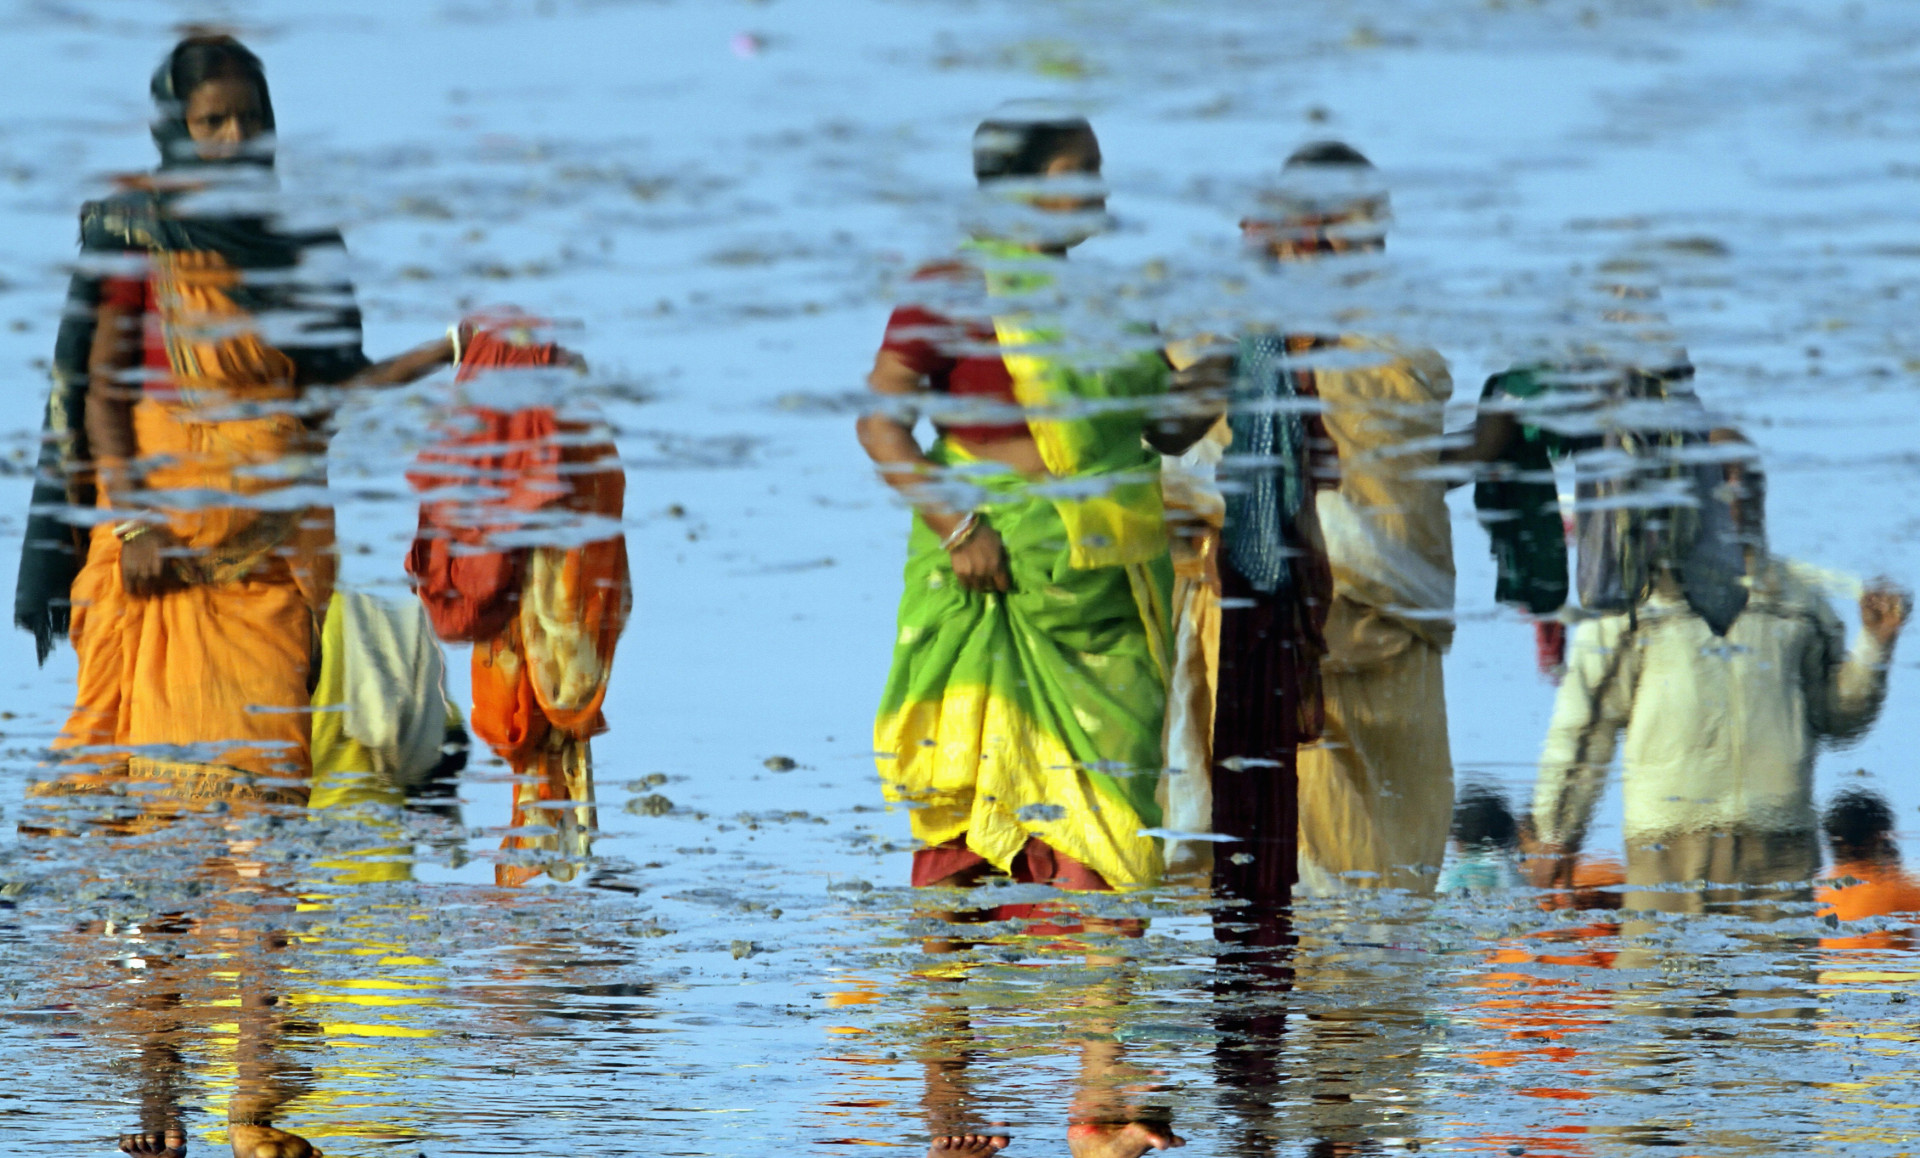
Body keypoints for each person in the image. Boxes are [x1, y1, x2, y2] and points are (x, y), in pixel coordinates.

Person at [21, 35, 455, 809]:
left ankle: (247, 933)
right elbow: (104, 398)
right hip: (156, 547)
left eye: (250, 120)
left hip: (270, 550)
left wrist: (453, 347)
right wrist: (135, 529)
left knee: (264, 790)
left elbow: (336, 389)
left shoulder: (302, 251)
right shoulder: (135, 236)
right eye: (214, 121)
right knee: (133, 794)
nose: (235, 139)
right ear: (175, 129)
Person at [860, 108, 1216, 900]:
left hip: (1108, 592)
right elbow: (881, 423)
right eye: (1076, 173)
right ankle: (945, 1018)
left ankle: (1093, 1026)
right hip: (993, 585)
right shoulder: (952, 287)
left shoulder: (1117, 300)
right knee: (965, 838)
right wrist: (956, 526)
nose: (1099, 189)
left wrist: (1216, 375)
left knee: (1113, 828)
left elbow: (1160, 430)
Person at [1233, 141, 1457, 896]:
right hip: (1271, 654)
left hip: (1395, 659)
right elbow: (1190, 471)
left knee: (1389, 899)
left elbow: (1404, 493)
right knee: (1295, 901)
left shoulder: (1396, 356)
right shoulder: (1230, 341)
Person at [1528, 472, 1908, 910]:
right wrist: (1557, 833)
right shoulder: (1637, 601)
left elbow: (1838, 719)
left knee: (1775, 980)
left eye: (1746, 480)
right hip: (1667, 843)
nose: (1735, 495)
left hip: (1779, 850)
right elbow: (1585, 723)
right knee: (1659, 980)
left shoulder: (1801, 603)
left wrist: (1874, 645)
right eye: (1719, 480)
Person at [407, 316, 630, 888]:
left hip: (550, 554)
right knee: (533, 689)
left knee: (546, 687)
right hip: (521, 575)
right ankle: (544, 845)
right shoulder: (507, 384)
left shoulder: (520, 386)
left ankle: (540, 844)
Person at [1817, 786, 1920, 950]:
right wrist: (1894, 867)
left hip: (1830, 974)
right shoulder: (1892, 889)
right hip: (1886, 974)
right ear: (1878, 837)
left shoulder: (1825, 892)